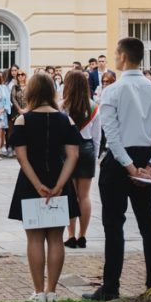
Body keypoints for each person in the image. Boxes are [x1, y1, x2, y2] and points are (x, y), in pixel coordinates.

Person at [84, 38, 151, 302]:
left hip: (119, 162)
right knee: (149, 223)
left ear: (122, 57)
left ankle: (111, 286)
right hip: (146, 160)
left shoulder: (113, 91)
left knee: (114, 225)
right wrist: (150, 167)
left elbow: (111, 134)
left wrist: (129, 166)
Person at [7, 73, 81, 302]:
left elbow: (22, 158)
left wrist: (37, 183)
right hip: (59, 178)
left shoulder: (23, 120)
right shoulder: (65, 119)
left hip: (32, 182)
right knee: (57, 238)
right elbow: (73, 155)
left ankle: (39, 292)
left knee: (35, 239)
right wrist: (60, 184)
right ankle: (52, 291)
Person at [63, 69, 100, 249]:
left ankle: (70, 235)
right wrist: (94, 154)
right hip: (87, 149)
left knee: (70, 195)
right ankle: (82, 236)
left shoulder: (62, 106)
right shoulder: (93, 106)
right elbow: (97, 136)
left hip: (68, 150)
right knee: (84, 196)